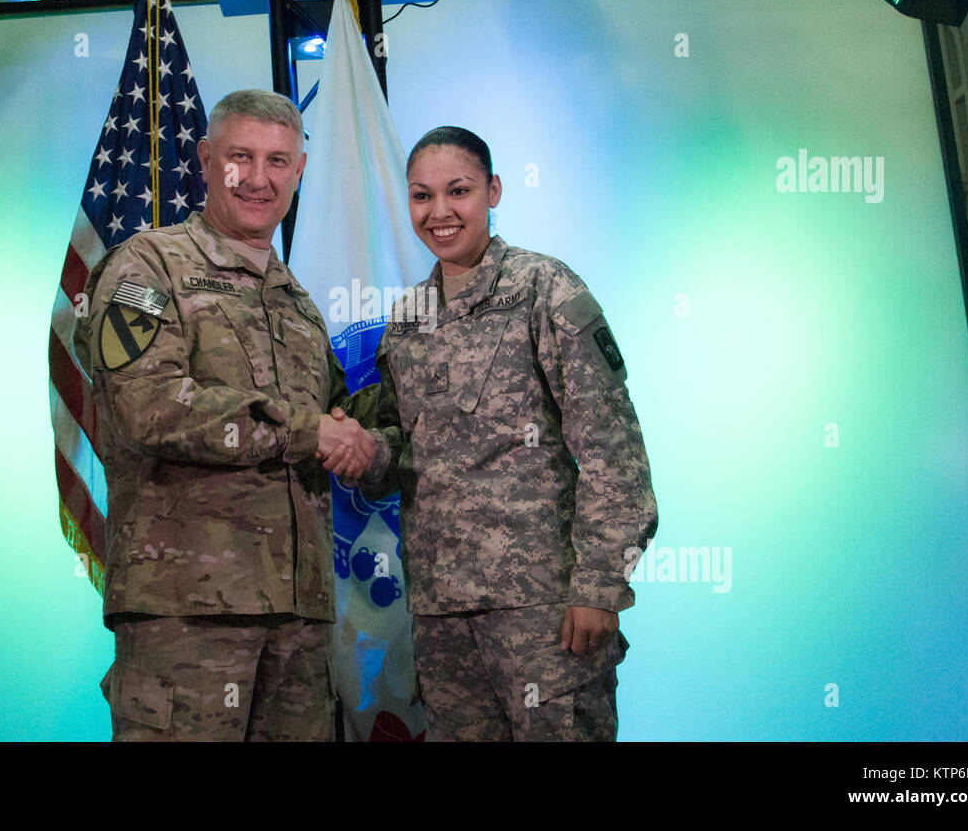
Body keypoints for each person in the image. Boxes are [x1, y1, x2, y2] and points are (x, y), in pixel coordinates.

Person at [329, 126, 658, 741]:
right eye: (422, 196)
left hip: (545, 610)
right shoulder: (407, 320)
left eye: (459, 191)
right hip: (441, 613)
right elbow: (408, 449)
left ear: (493, 191)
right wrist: (365, 449)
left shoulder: (545, 290)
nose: (440, 212)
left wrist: (600, 587)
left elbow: (614, 452)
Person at [75, 89, 375, 741]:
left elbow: (335, 421)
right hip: (189, 617)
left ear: (299, 171)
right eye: (241, 157)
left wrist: (366, 441)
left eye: (278, 161)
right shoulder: (146, 266)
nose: (259, 179)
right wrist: (306, 431)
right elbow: (147, 407)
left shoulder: (298, 306)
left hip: (298, 620)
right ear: (207, 160)